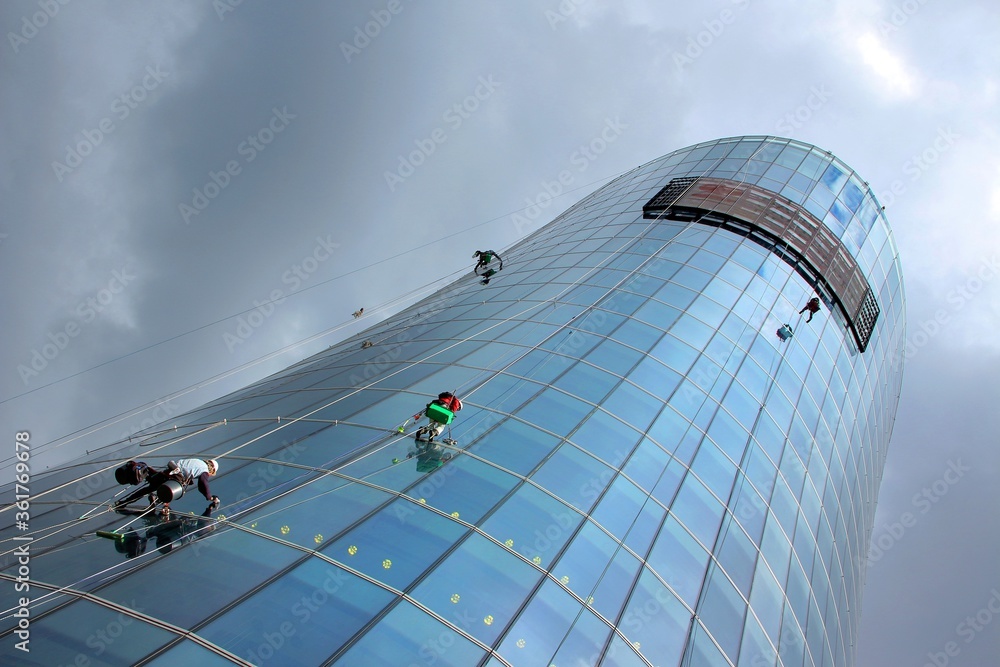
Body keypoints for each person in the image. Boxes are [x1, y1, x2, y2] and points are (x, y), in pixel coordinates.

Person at [114, 457, 220, 515]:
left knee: (147, 489)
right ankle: (160, 500)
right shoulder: (204, 470)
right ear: (212, 470)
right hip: (176, 476)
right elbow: (203, 484)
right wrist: (209, 497)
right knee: (176, 490)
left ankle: (122, 503)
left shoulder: (197, 461)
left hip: (169, 470)